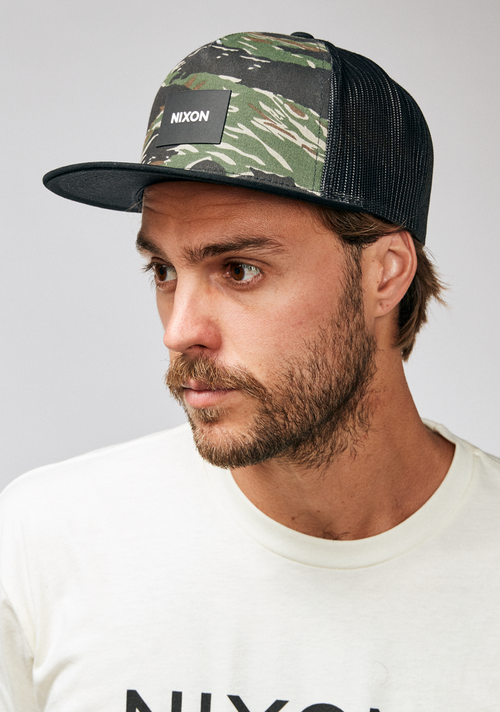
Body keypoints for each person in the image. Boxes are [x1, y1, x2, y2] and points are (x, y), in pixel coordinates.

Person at [1, 30, 499, 712]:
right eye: (163, 270)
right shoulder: (45, 542)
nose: (180, 331)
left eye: (239, 270)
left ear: (385, 274)